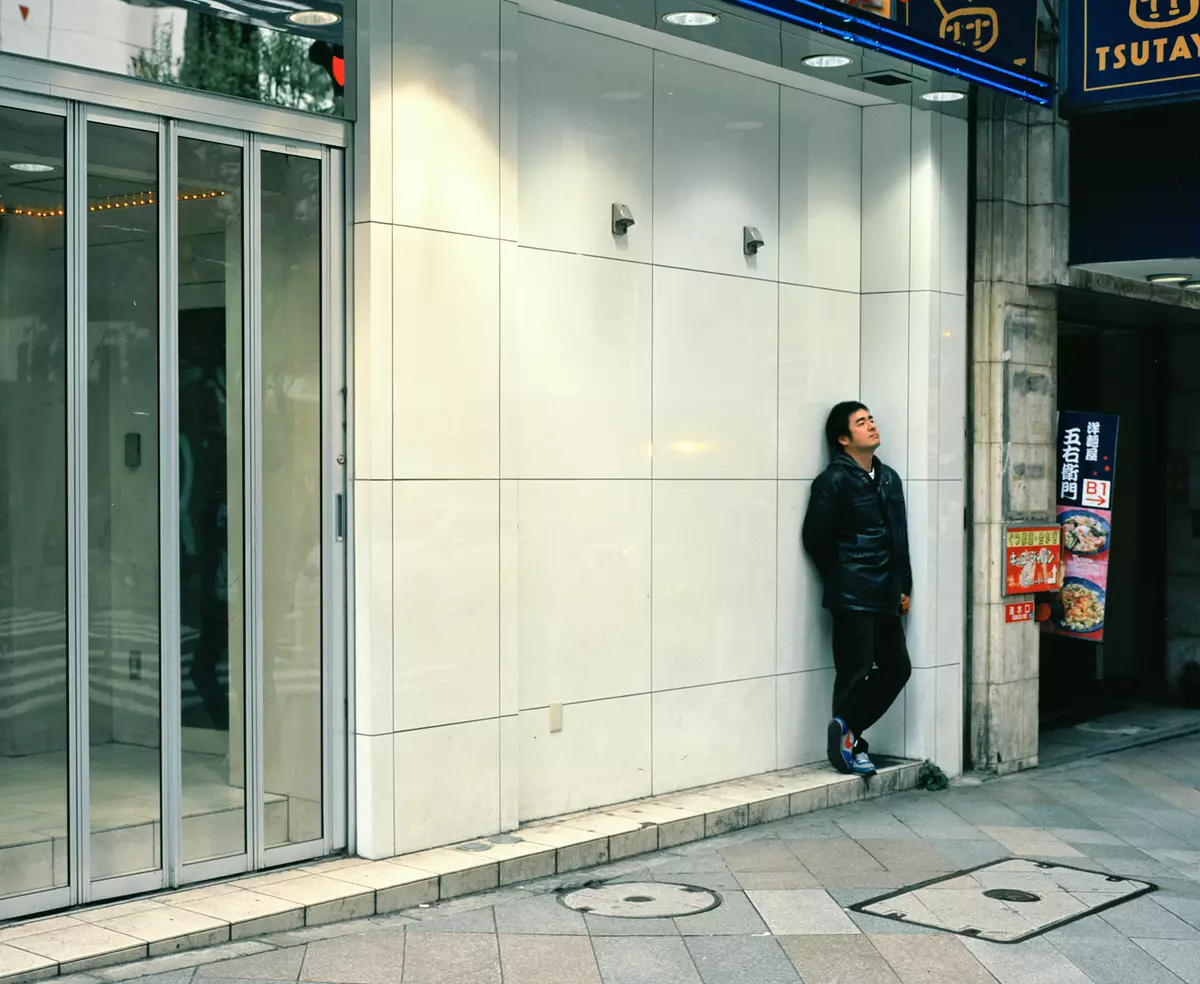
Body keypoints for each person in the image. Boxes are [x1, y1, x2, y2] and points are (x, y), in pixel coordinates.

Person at [802, 402, 913, 777]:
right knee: (855, 670)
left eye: (871, 420)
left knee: (898, 667)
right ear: (844, 439)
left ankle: (847, 729)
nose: (871, 426)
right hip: (852, 593)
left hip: (886, 593)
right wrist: (844, 577)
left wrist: (904, 585)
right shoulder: (832, 480)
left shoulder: (889, 478)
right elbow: (815, 539)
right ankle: (850, 744)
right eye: (861, 423)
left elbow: (900, 538)